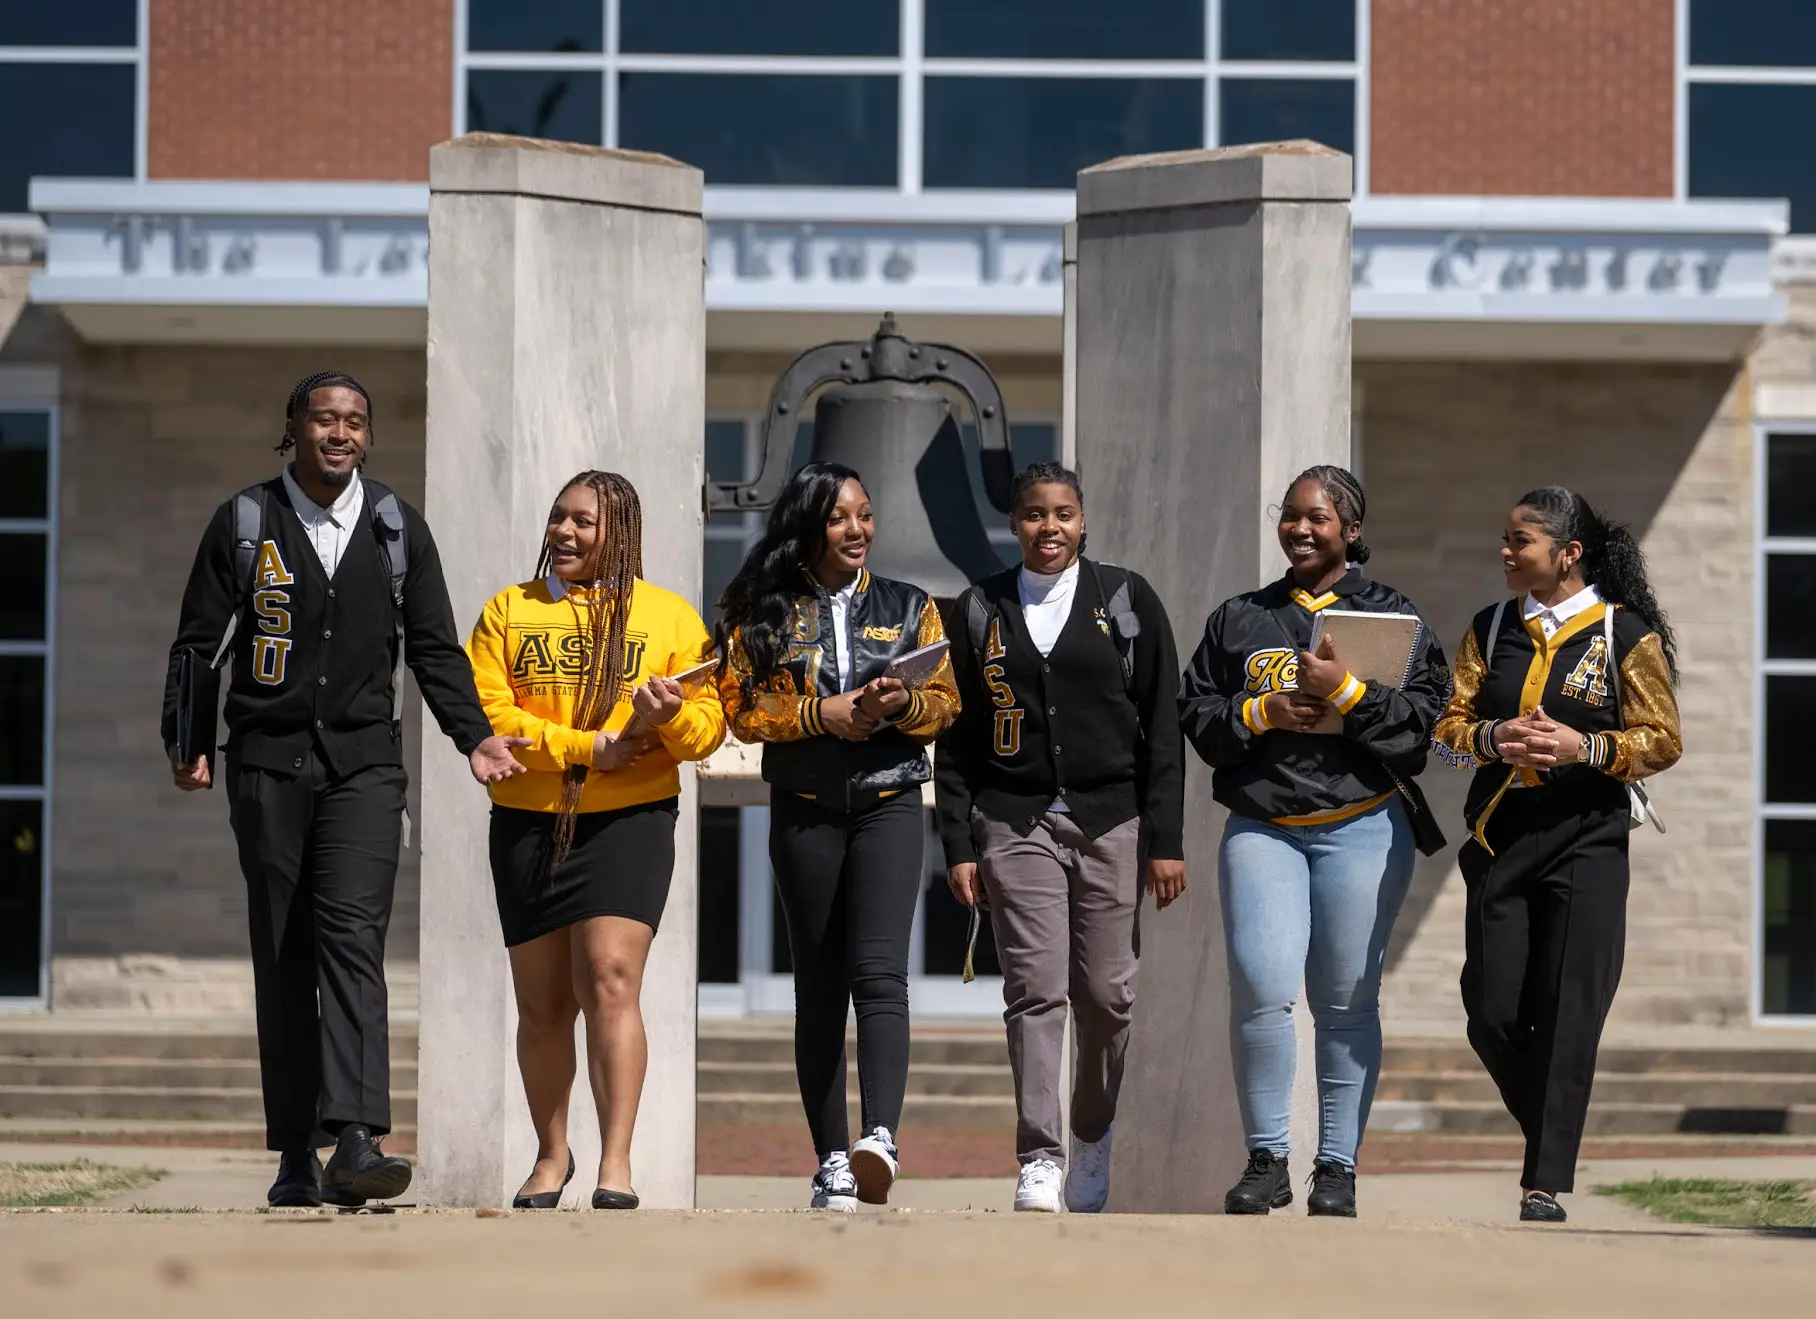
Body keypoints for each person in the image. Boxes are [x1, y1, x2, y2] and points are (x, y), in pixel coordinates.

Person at [161, 371, 529, 1209]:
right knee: (284, 949)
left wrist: (473, 736)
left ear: (367, 435)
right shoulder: (245, 523)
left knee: (354, 939)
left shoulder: (397, 528)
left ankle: (358, 1138)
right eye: (324, 418)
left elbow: (434, 648)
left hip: (365, 767)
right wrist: (188, 743)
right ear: (292, 427)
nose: (340, 432)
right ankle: (296, 1150)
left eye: (355, 420)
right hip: (266, 766)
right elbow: (198, 645)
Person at [1177, 465, 1448, 1218]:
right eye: (1290, 515)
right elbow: (1195, 713)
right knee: (1262, 987)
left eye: (1317, 517)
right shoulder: (1241, 617)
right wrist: (1260, 711)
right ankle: (1267, 1157)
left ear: (1351, 531)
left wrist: (1348, 693)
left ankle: (1337, 1168)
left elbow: (1423, 728)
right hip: (1264, 826)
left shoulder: (1393, 616)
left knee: (1347, 1000)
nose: (1299, 528)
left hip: (1362, 825)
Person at [466, 470, 724, 1210]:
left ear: (622, 533)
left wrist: (670, 716)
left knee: (611, 977)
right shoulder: (509, 610)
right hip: (529, 818)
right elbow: (490, 713)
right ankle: (552, 1155)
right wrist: (588, 748)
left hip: (629, 820)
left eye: (584, 521)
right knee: (543, 1003)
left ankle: (616, 1163)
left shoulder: (669, 617)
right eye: (559, 517)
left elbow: (708, 730)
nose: (565, 532)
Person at [935, 461, 1185, 1215]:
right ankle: (1039, 1157)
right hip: (1014, 820)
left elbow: (1162, 727)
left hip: (1112, 818)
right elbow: (956, 736)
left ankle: (1091, 1131)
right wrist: (959, 844)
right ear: (1014, 524)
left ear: (1083, 520)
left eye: (1064, 514)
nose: (1050, 527)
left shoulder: (1126, 599)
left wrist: (1166, 839)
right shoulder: (980, 608)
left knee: (1106, 996)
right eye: (1035, 515)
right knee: (1035, 990)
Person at [1434, 485, 1681, 1224]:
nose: (1506, 552)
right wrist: (1491, 738)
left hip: (1588, 837)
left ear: (1568, 553)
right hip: (1503, 834)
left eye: (1521, 540)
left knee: (1570, 1012)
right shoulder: (1490, 628)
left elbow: (1663, 739)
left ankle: (1543, 1181)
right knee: (1490, 1013)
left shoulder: (1622, 631)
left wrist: (1587, 747)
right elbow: (1448, 728)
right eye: (1506, 538)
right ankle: (1551, 1126)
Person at [716, 462, 960, 1211]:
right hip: (805, 808)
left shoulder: (911, 606)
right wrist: (818, 715)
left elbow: (946, 704)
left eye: (865, 514)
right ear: (808, 525)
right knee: (819, 987)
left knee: (880, 974)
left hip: (889, 803)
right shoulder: (763, 610)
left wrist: (899, 703)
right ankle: (831, 1160)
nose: (858, 529)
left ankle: (878, 1138)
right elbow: (739, 709)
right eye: (838, 517)